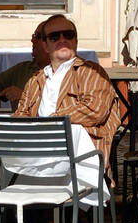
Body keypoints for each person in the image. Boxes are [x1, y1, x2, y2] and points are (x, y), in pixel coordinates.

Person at [15, 15, 122, 169]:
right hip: (35, 158)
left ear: (76, 41)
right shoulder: (35, 80)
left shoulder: (91, 72)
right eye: (54, 36)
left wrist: (50, 121)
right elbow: (20, 115)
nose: (62, 39)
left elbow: (95, 109)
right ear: (45, 45)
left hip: (80, 161)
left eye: (68, 34)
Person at [0, 23, 51, 104]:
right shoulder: (23, 69)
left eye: (38, 36)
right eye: (33, 36)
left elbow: (60, 107)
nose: (32, 40)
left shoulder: (64, 72)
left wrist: (24, 96)